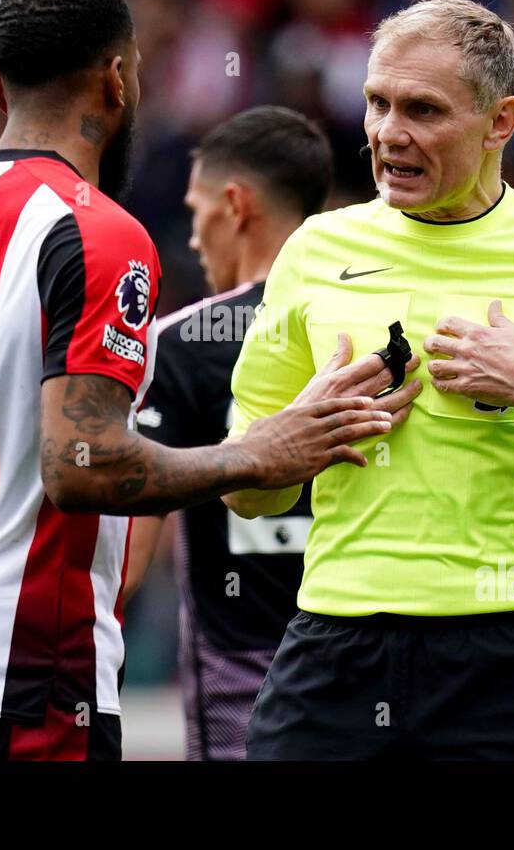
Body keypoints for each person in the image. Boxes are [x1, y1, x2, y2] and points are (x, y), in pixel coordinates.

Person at [0, 0, 399, 762]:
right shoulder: (97, 232)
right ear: (116, 81)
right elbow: (84, 464)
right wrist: (261, 452)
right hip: (29, 670)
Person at [224, 0, 514, 759]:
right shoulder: (314, 249)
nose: (386, 133)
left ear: (500, 122)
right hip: (334, 651)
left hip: (510, 668)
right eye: (377, 103)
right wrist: (294, 436)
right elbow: (249, 493)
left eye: (423, 110)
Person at [128, 106, 400, 760]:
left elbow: (125, 562)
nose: (194, 239)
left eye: (198, 213)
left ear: (235, 205)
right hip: (384, 662)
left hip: (242, 675)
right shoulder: (386, 328)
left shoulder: (181, 343)